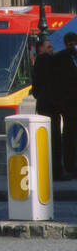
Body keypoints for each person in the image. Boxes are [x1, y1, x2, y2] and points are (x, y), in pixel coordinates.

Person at [31, 39, 62, 181]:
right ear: (41, 49)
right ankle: (56, 171)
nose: (51, 50)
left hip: (44, 103)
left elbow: (35, 87)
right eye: (49, 47)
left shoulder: (38, 62)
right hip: (51, 104)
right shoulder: (45, 60)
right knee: (54, 137)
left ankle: (49, 170)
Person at [54, 31, 77, 180]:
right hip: (69, 105)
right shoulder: (61, 58)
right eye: (70, 44)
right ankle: (70, 167)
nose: (73, 46)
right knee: (69, 137)